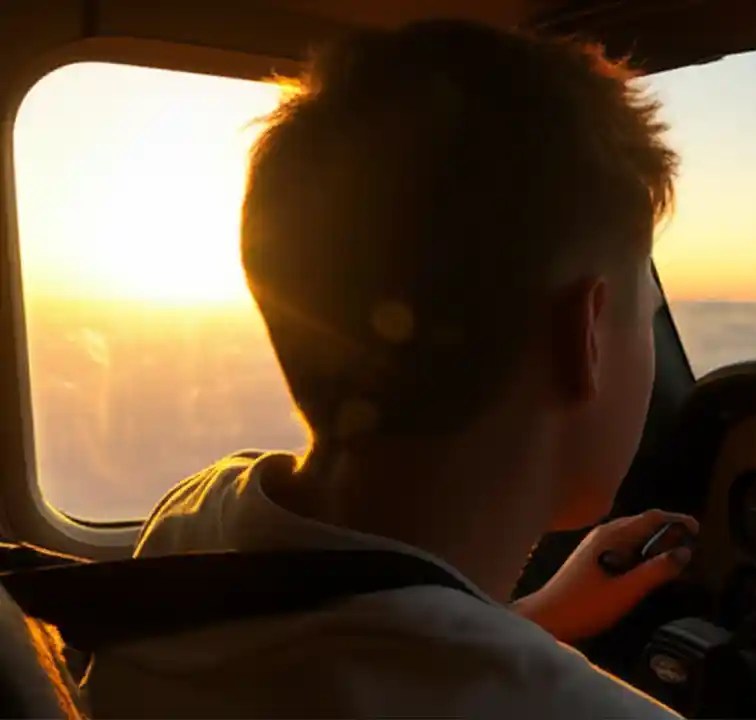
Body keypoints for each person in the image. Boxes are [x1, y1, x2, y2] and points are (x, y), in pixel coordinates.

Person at [83, 18, 690, 718]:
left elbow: (353, 665)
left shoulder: (194, 520)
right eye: (644, 318)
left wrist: (533, 620)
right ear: (584, 335)